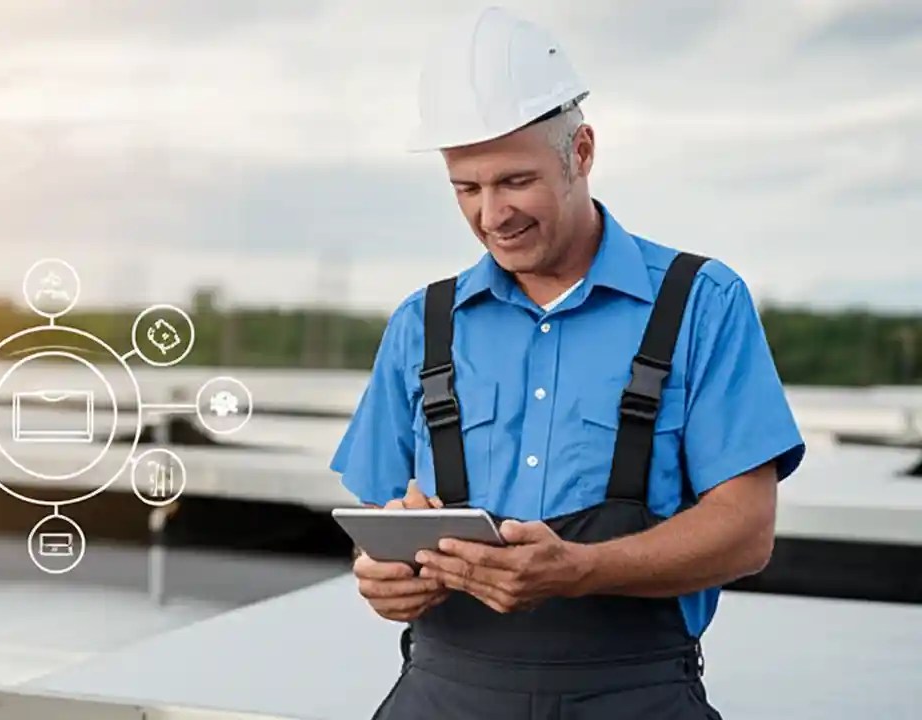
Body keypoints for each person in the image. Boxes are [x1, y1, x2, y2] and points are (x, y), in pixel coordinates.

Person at [329, 6, 806, 719]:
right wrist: (380, 576)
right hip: (441, 695)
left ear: (580, 151)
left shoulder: (702, 304)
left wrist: (581, 571)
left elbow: (746, 531)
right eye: (467, 188)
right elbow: (376, 517)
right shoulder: (420, 325)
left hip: (634, 697)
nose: (492, 215)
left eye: (515, 181)